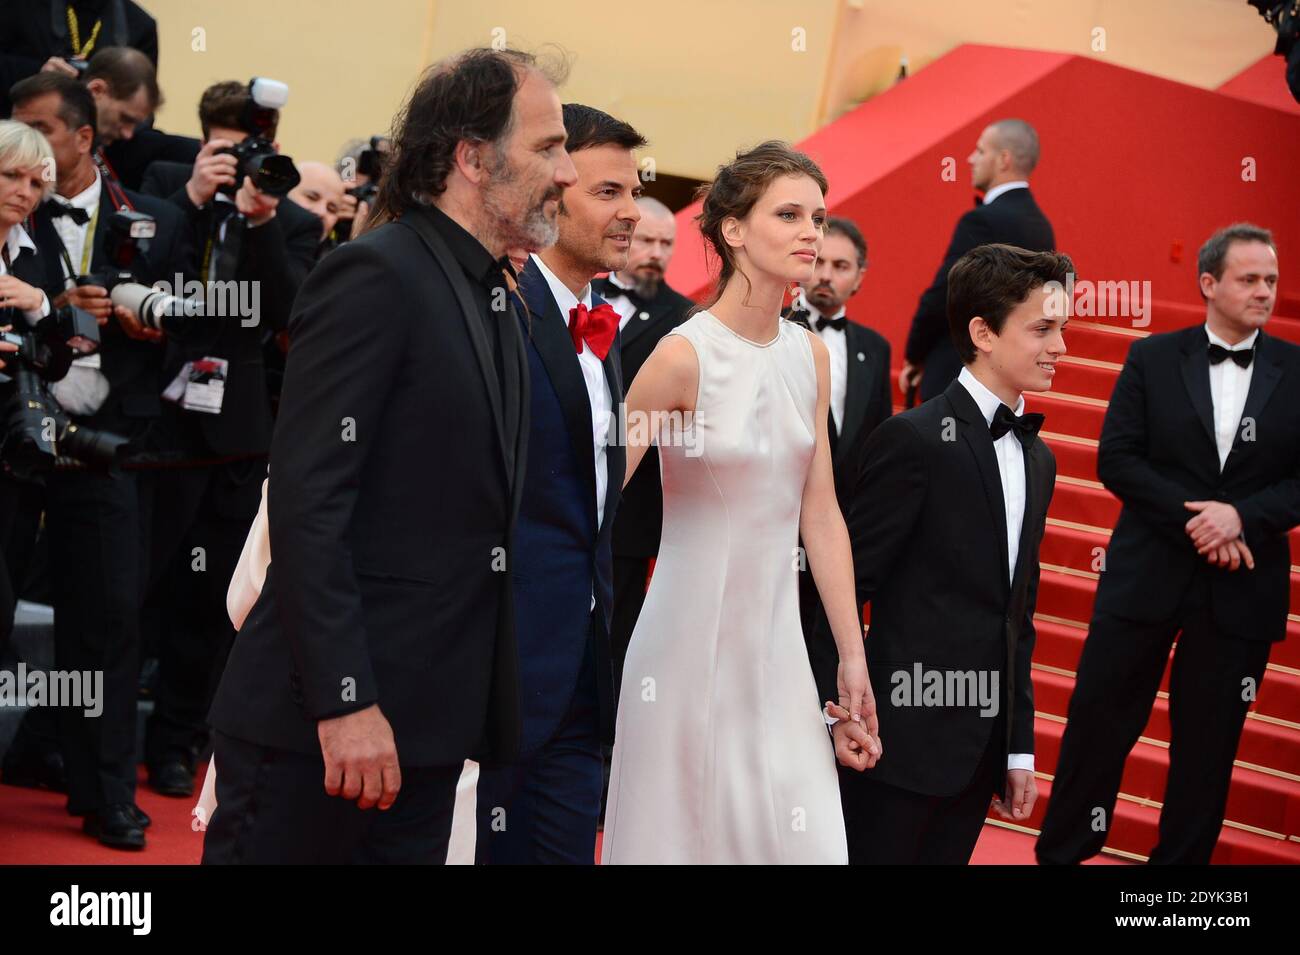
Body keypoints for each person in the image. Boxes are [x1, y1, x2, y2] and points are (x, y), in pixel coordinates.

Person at [201, 46, 575, 865]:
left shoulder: (495, 294)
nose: (568, 172)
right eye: (548, 147)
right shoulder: (375, 275)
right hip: (325, 733)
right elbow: (308, 501)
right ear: (473, 158)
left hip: (428, 734)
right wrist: (347, 702)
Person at [602, 141, 878, 865]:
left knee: (805, 839)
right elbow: (593, 496)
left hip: (781, 644)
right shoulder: (679, 355)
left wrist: (852, 653)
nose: (811, 232)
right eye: (788, 214)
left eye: (817, 216)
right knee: (685, 836)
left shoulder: (808, 356)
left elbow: (820, 511)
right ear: (732, 230)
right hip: (684, 647)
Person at [1037, 223, 1299, 865]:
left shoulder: (1298, 371)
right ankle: (1066, 852)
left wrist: (1243, 516)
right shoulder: (1152, 358)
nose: (1264, 291)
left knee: (1209, 748)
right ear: (1209, 283)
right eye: (1249, 279)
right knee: (1099, 724)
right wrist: (1204, 522)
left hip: (1241, 589)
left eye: (1270, 279)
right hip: (1145, 576)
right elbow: (1117, 460)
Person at [825, 242, 1071, 864]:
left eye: (1061, 329)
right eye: (1042, 329)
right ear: (983, 333)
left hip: (979, 755)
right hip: (893, 746)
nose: (1060, 347)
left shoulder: (1039, 459)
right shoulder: (913, 440)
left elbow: (1019, 616)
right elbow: (843, 585)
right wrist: (837, 715)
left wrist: (1017, 750)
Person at [11, 76, 191, 849]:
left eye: (40, 134)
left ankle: (108, 791)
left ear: (85, 138)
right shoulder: (15, 215)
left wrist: (147, 322)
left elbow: (197, 322)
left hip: (111, 446)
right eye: (14, 138)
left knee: (111, 623)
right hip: (16, 444)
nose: (26, 155)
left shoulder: (161, 219)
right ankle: (36, 752)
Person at [136, 78, 318, 797]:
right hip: (155, 417)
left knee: (209, 601)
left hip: (238, 432)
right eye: (225, 150)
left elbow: (287, 312)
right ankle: (86, 746)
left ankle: (177, 741)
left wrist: (260, 218)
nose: (240, 163)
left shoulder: (292, 217)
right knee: (132, 592)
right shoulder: (161, 185)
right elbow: (138, 272)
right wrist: (192, 198)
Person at [473, 103, 642, 865]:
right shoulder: (497, 306)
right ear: (555, 189)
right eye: (609, 192)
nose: (631, 212)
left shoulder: (598, 326)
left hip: (580, 664)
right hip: (492, 669)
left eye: (634, 192)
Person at [594, 195, 694, 695]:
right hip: (566, 485)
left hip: (632, 509)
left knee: (618, 627)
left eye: (666, 243)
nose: (656, 252)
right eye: (647, 240)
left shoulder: (684, 319)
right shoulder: (581, 296)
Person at [785, 216, 891, 667]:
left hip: (843, 527)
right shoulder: (777, 333)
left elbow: (879, 440)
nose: (827, 274)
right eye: (822, 262)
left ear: (859, 276)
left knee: (824, 645)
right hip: (781, 522)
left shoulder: (876, 347)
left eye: (842, 266)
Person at [901, 119, 1055, 402]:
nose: (971, 159)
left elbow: (946, 292)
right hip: (1005, 376)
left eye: (980, 151)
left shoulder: (982, 220)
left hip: (960, 368)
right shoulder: (1042, 226)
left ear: (1003, 159)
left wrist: (915, 353)